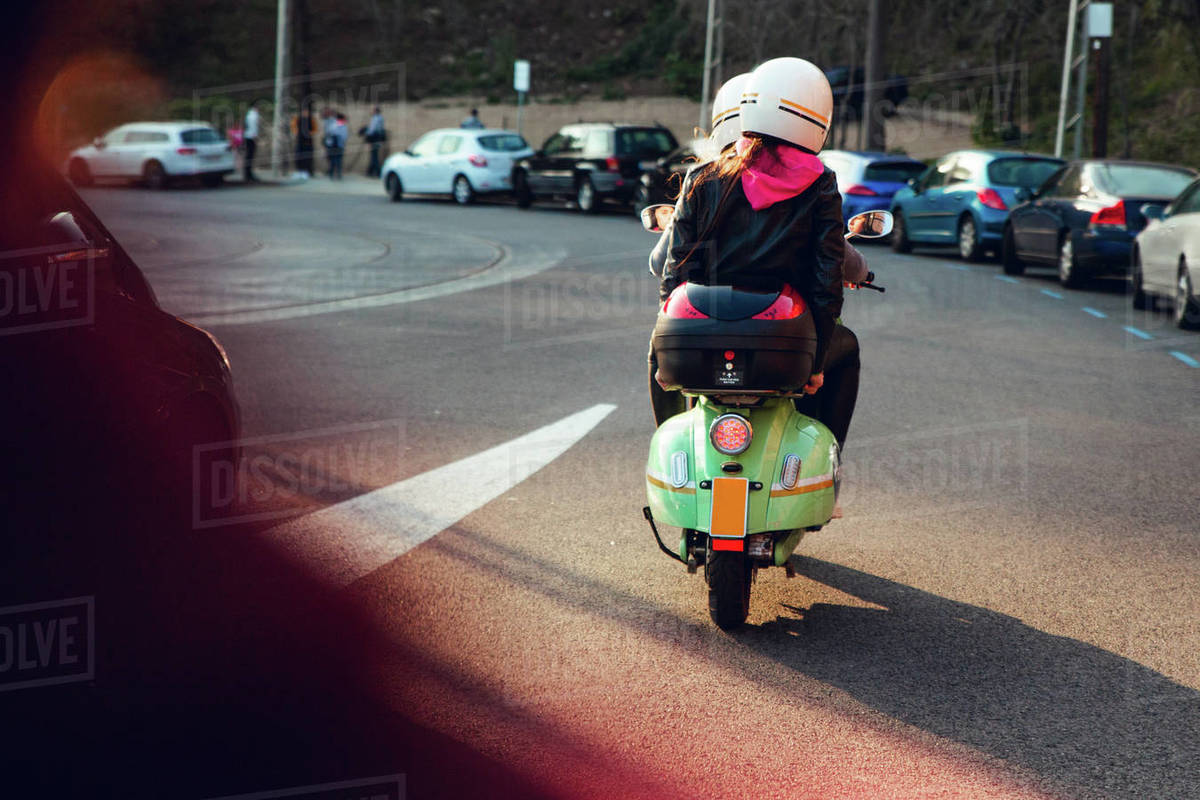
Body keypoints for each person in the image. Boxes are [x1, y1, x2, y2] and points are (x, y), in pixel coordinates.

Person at [651, 57, 859, 450]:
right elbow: (826, 278)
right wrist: (814, 365)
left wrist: (665, 352)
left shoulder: (702, 177)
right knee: (847, 352)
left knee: (655, 348)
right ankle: (831, 460)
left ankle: (670, 440)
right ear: (817, 116)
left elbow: (675, 272)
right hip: (784, 343)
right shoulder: (819, 182)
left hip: (702, 337)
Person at [292, 106, 317, 177]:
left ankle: (308, 171)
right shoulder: (297, 119)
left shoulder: (311, 120)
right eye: (304, 112)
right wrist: (296, 132)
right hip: (300, 140)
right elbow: (294, 127)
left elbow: (315, 129)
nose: (305, 113)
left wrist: (310, 133)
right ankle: (300, 170)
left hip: (308, 141)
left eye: (306, 112)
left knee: (308, 157)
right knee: (299, 156)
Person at [362, 106, 386, 178]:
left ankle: (377, 172)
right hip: (378, 138)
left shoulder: (375, 118)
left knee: (374, 156)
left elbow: (372, 130)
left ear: (375, 111)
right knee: (374, 155)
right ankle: (371, 171)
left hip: (375, 138)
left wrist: (366, 132)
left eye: (373, 110)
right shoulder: (380, 118)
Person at [242, 101, 261, 182]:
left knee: (249, 155)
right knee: (250, 155)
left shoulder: (249, 114)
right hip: (251, 137)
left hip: (247, 136)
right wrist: (255, 136)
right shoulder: (254, 115)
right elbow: (253, 126)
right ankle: (248, 174)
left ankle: (248, 174)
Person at [327, 112, 348, 179]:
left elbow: (329, 134)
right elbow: (344, 136)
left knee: (333, 159)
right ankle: (338, 173)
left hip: (332, 145)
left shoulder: (333, 125)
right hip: (339, 145)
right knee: (338, 159)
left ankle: (332, 173)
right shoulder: (343, 126)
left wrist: (328, 143)